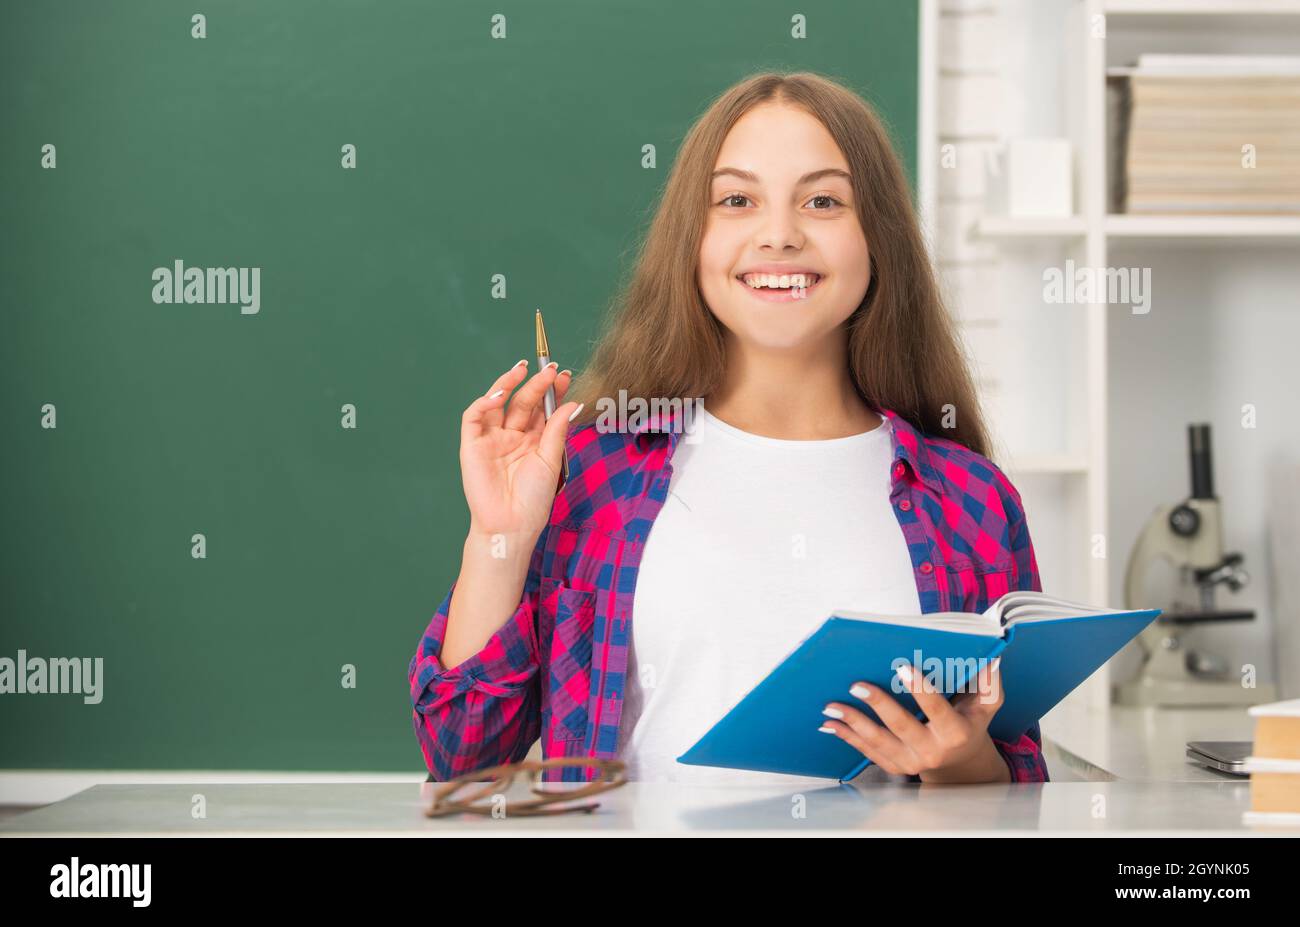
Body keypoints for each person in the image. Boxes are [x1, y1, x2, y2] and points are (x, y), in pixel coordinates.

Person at [409, 71, 1049, 786]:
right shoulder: (594, 473)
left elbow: (1018, 780)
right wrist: (498, 540)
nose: (779, 234)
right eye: (737, 200)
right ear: (694, 238)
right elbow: (462, 755)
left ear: (879, 240)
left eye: (824, 200)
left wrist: (967, 766)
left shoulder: (970, 498)